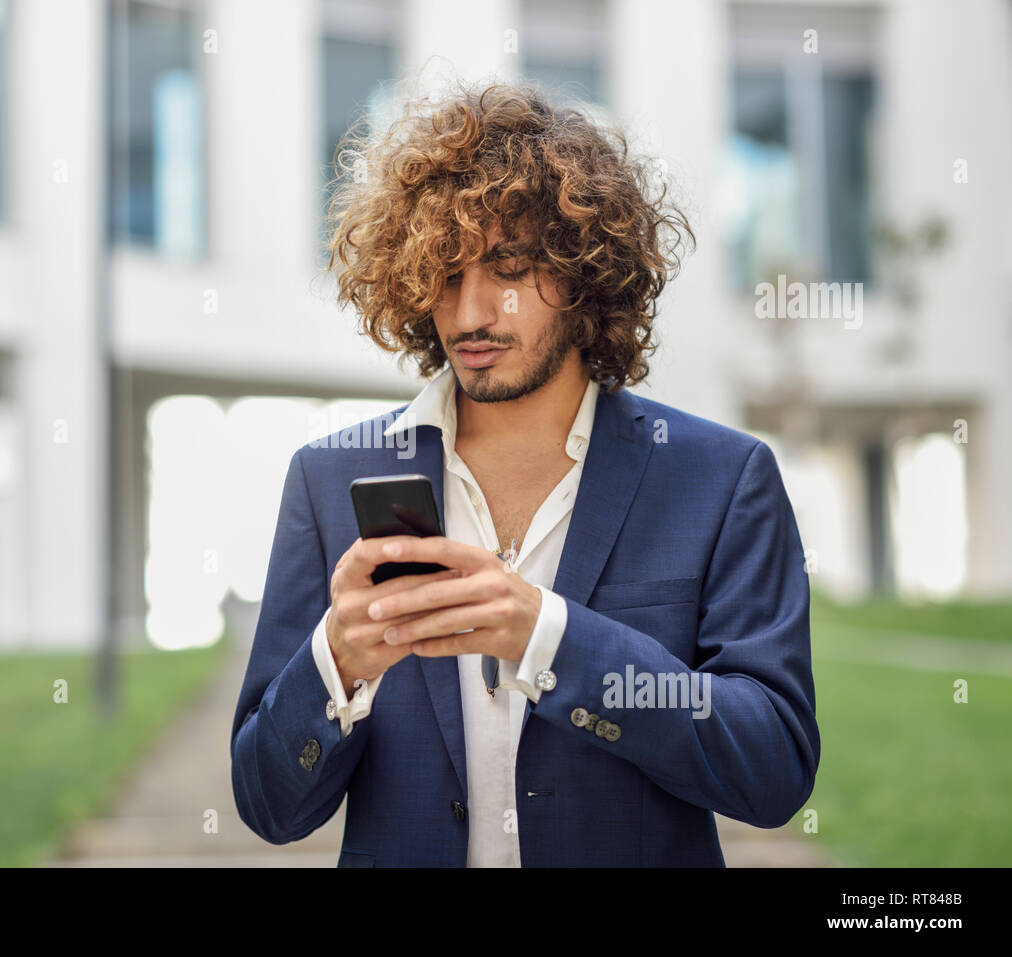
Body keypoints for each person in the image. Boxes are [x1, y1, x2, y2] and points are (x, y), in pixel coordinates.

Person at [230, 80, 819, 867]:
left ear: (583, 274)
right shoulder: (328, 477)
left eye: (507, 268)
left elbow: (772, 766)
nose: (470, 313)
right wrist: (334, 662)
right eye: (443, 273)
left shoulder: (722, 479)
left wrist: (549, 637)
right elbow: (269, 805)